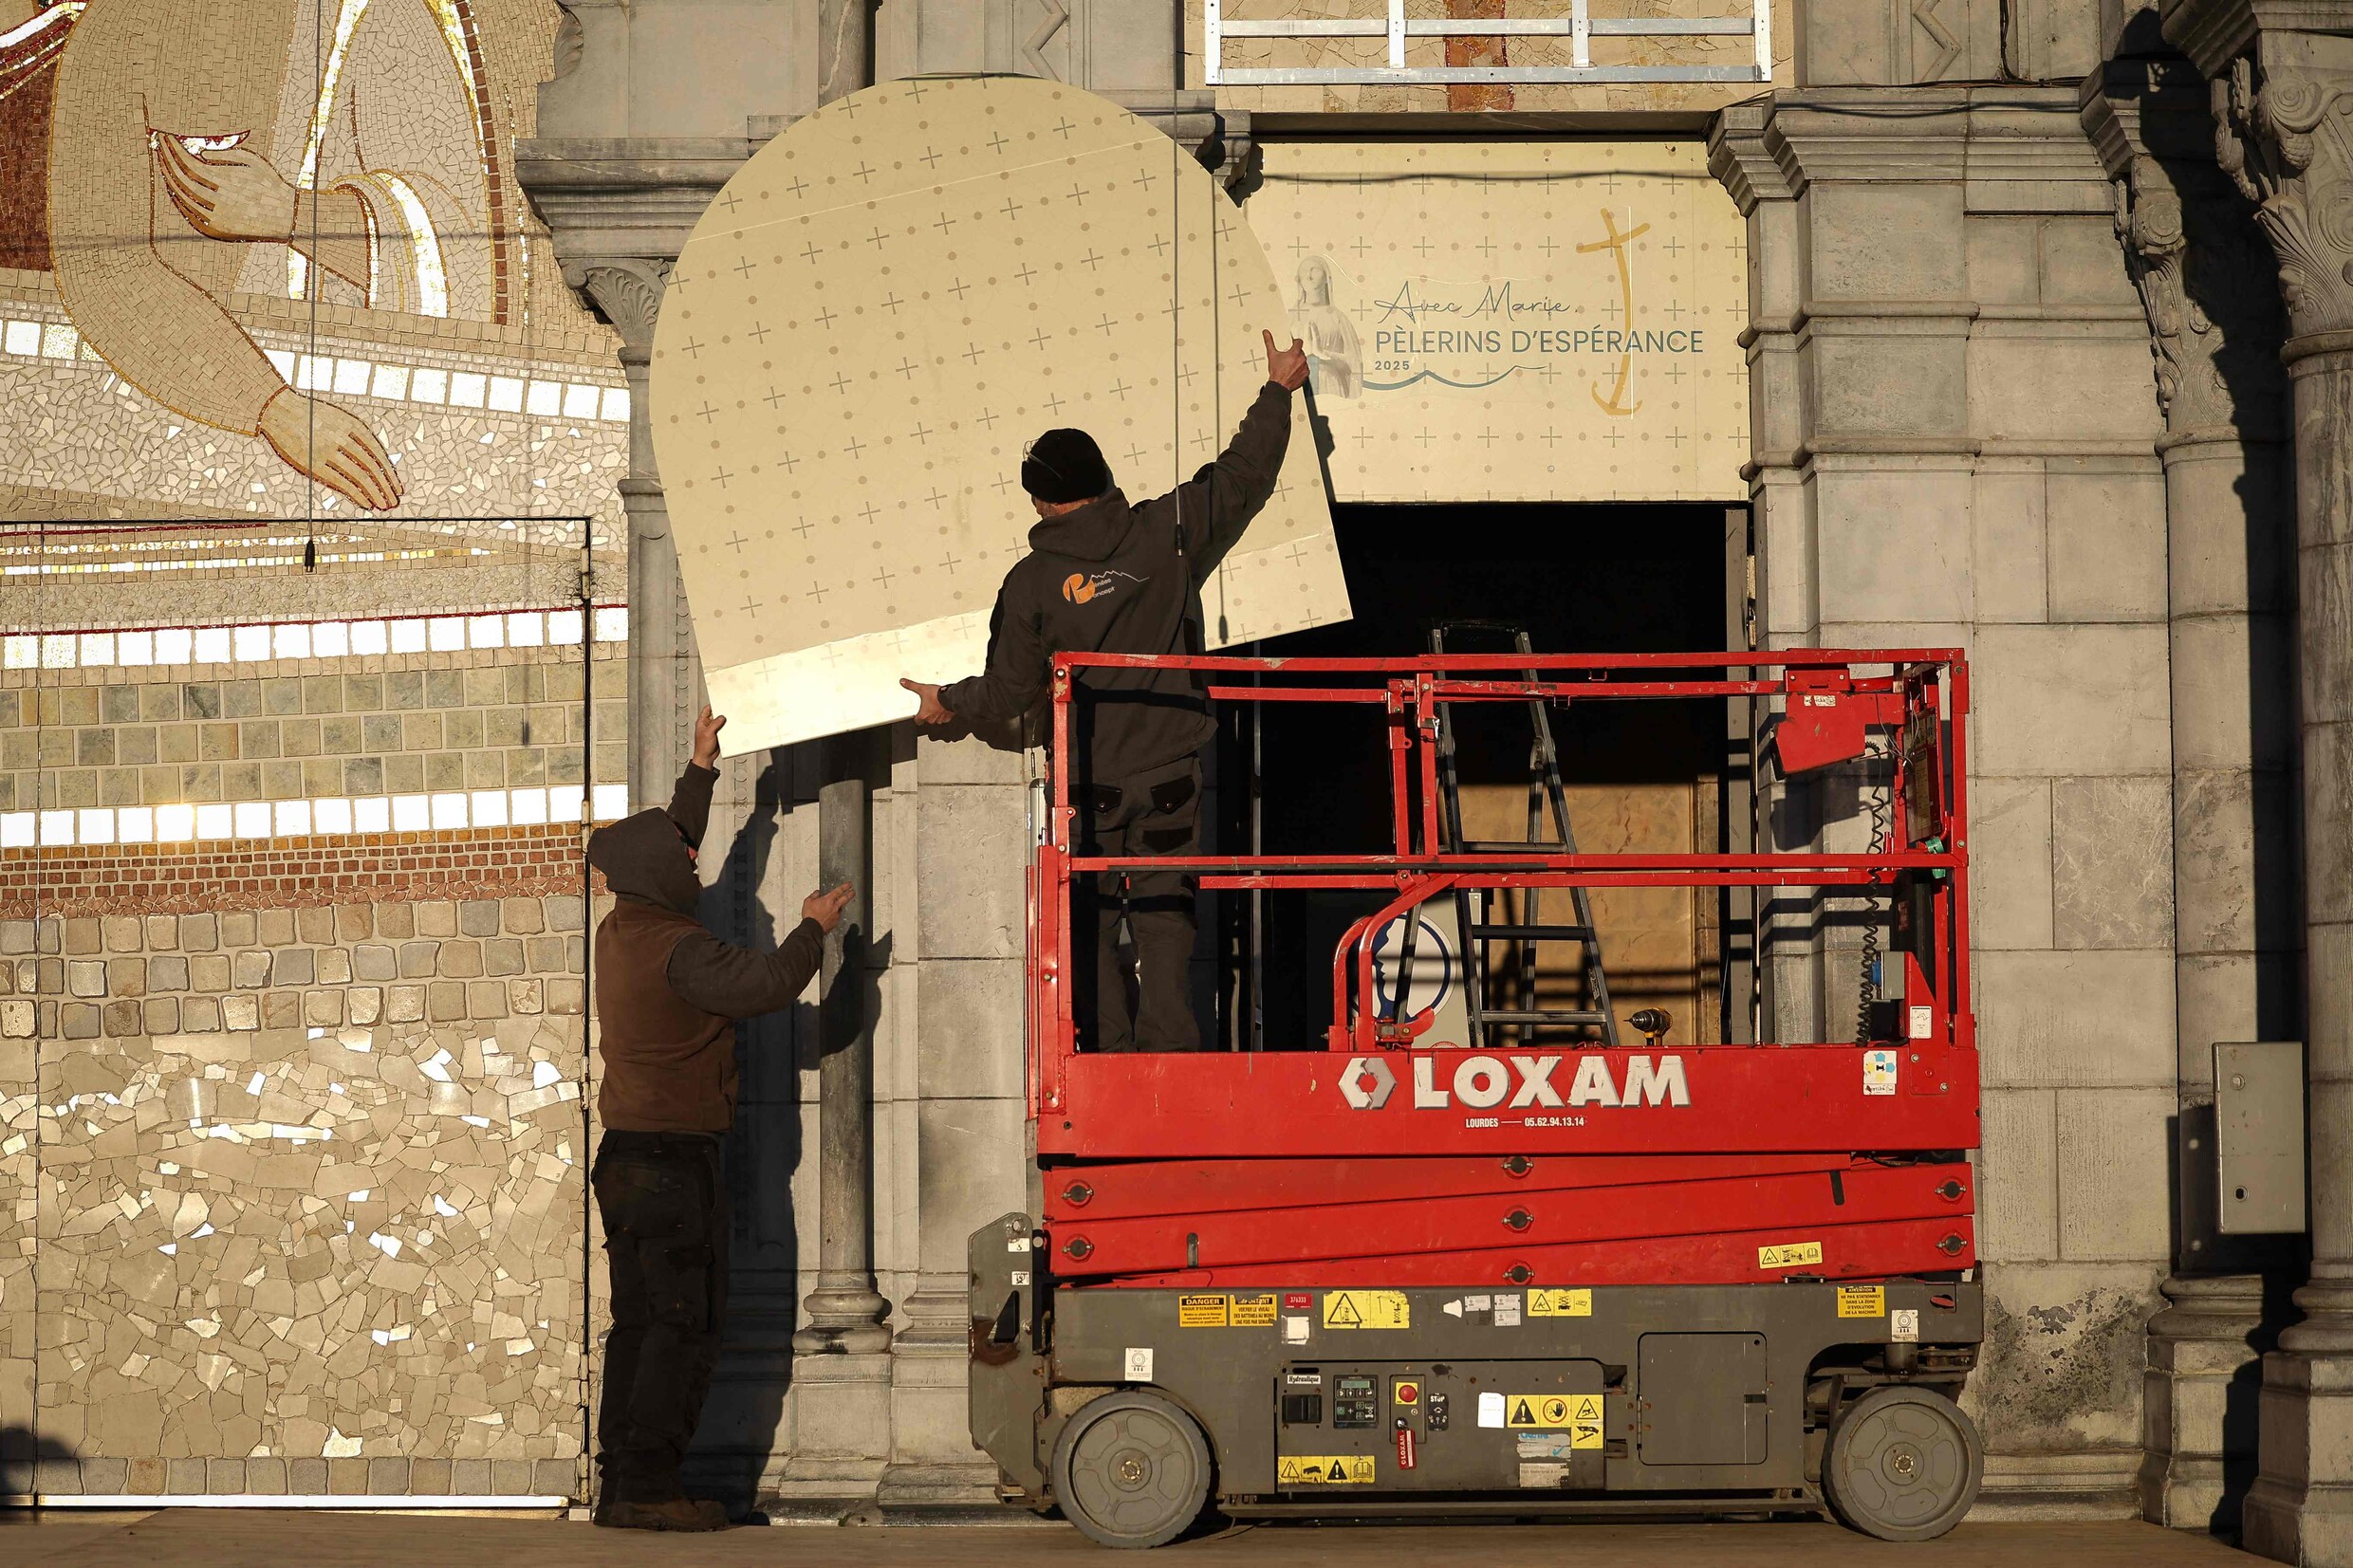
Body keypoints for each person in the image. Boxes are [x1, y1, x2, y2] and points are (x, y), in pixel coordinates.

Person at [900, 329, 1312, 1052]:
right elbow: (1243, 475)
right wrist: (1277, 390)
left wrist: (949, 700)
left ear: (1042, 500)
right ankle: (1171, 1056)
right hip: (1172, 772)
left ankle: (1108, 1056)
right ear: (1103, 478)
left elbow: (1009, 691)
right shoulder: (1166, 530)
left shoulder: (1031, 583)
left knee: (1088, 919)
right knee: (1165, 918)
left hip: (1089, 782)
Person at [584, 706, 854, 1531]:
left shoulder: (622, 929)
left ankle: (623, 1482)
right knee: (680, 1327)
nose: (696, 863)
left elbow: (664, 844)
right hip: (672, 1165)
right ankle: (650, 1488)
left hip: (627, 1157)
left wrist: (702, 768)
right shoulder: (683, 950)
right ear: (662, 875)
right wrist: (812, 930)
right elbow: (766, 984)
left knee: (639, 1326)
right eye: (686, 859)